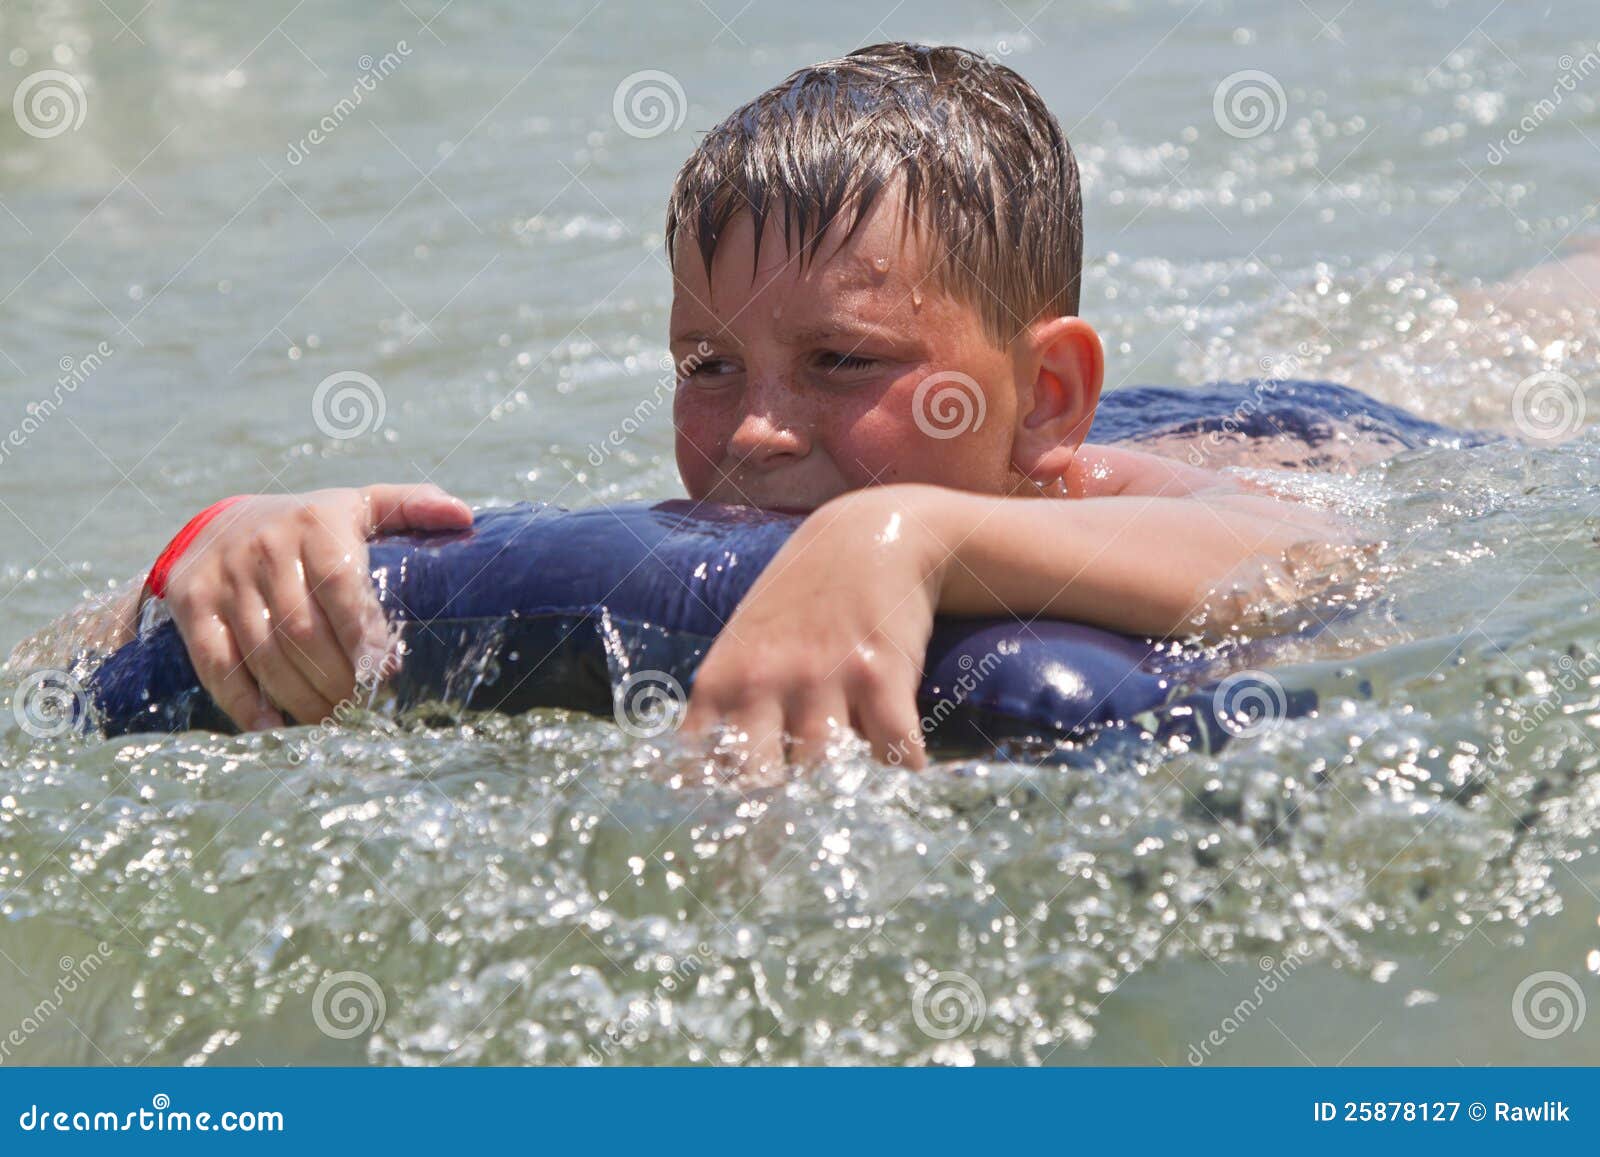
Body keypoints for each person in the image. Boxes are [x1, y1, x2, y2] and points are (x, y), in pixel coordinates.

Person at [14, 43, 1364, 771]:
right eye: (707, 366)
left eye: (843, 362)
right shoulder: (708, 523)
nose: (758, 433)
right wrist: (239, 549)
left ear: (1048, 396)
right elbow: (59, 662)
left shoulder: (1111, 488)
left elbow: (1309, 553)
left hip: (1297, 414)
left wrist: (896, 537)